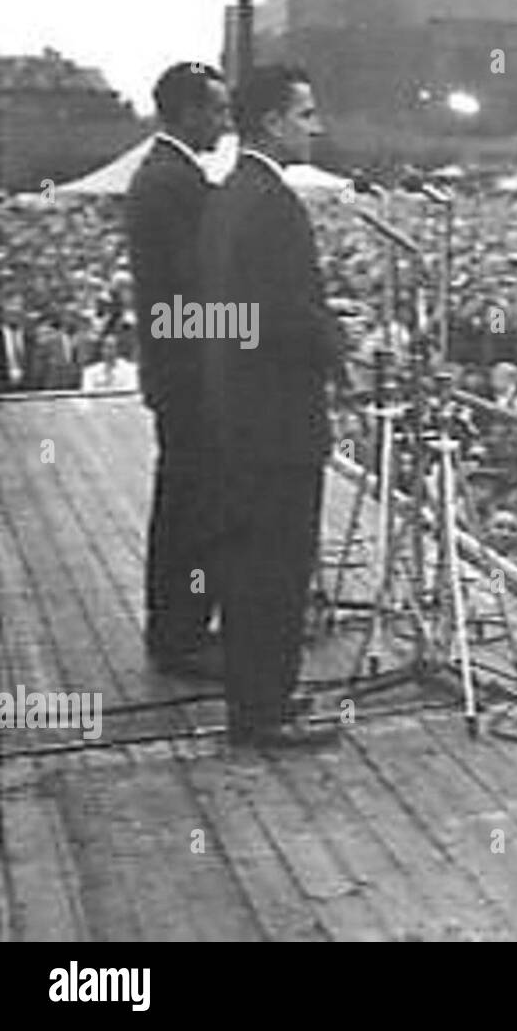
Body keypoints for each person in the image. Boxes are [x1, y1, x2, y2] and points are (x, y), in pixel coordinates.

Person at [198, 64, 341, 749]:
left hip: (239, 411)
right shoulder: (274, 203)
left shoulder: (230, 193)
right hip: (277, 420)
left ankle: (260, 694)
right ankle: (264, 710)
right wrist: (336, 336)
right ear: (273, 122)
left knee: (250, 562)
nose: (317, 126)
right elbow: (286, 319)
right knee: (276, 566)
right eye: (306, 113)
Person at [125, 62, 231, 679]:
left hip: (182, 373)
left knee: (189, 504)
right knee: (191, 509)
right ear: (188, 112)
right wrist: (255, 328)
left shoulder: (168, 176)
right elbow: (193, 299)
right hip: (190, 376)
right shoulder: (172, 183)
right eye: (216, 110)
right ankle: (180, 633)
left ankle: (183, 625)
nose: (223, 122)